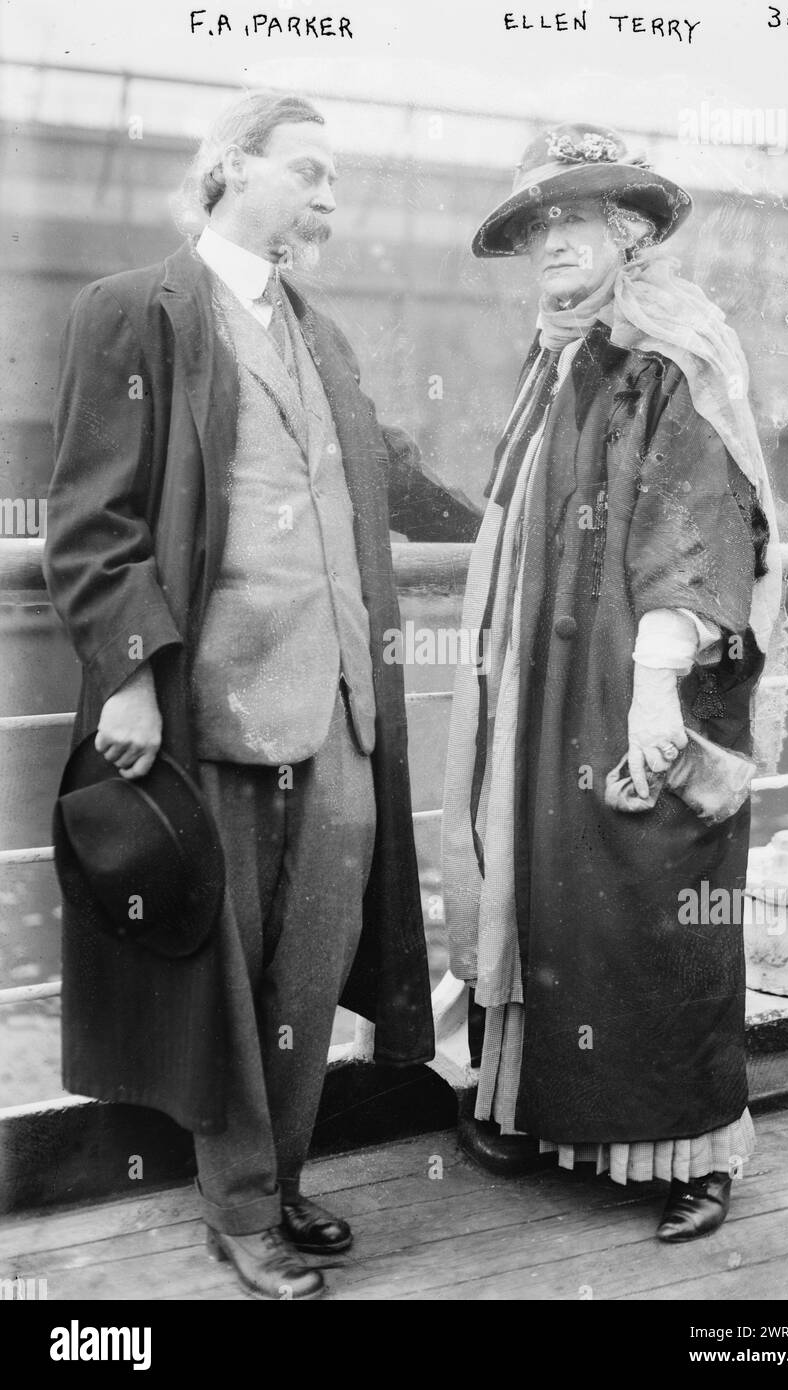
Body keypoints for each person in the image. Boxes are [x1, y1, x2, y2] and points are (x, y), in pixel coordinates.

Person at [45, 88, 479, 1300]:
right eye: (313, 170)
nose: (333, 195)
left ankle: (279, 1178)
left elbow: (391, 480)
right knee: (224, 971)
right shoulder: (134, 312)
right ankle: (240, 1212)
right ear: (234, 170)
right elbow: (90, 526)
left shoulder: (320, 335)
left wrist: (515, 532)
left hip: (339, 709)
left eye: (339, 178)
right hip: (212, 713)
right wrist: (128, 678)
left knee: (309, 961)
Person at [443, 123, 783, 1242]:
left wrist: (652, 687)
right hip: (554, 683)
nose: (546, 238)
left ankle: (688, 1147)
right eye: (533, 220)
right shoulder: (563, 357)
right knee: (560, 895)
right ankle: (555, 1114)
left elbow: (696, 523)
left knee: (652, 900)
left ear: (629, 229)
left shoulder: (670, 353)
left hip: (647, 679)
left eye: (567, 216)